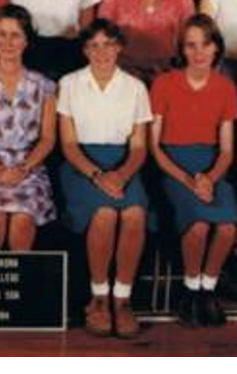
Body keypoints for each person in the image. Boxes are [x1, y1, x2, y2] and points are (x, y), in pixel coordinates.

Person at [56, 19, 152, 339]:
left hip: (124, 165)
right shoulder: (69, 84)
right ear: (85, 50)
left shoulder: (136, 87)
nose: (102, 52)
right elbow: (68, 144)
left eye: (108, 44)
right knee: (105, 214)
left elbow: (139, 146)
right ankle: (98, 297)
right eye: (94, 45)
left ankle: (121, 299)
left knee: (135, 214)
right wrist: (98, 176)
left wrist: (122, 174)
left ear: (119, 47)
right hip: (82, 165)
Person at [149, 14, 237, 328]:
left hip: (212, 167)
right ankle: (190, 291)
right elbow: (155, 147)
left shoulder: (226, 88)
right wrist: (189, 180)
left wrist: (210, 178)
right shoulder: (164, 84)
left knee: (227, 227)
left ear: (216, 48)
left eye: (206, 44)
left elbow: (228, 149)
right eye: (191, 45)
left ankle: (208, 290)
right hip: (174, 167)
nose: (199, 52)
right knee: (199, 225)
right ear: (182, 50)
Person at [0, 5, 58, 251]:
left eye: (15, 35)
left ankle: (19, 286)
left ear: (27, 41)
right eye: (1, 34)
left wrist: (23, 169)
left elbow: (48, 138)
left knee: (23, 220)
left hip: (29, 168)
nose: (7, 42)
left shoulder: (44, 85)